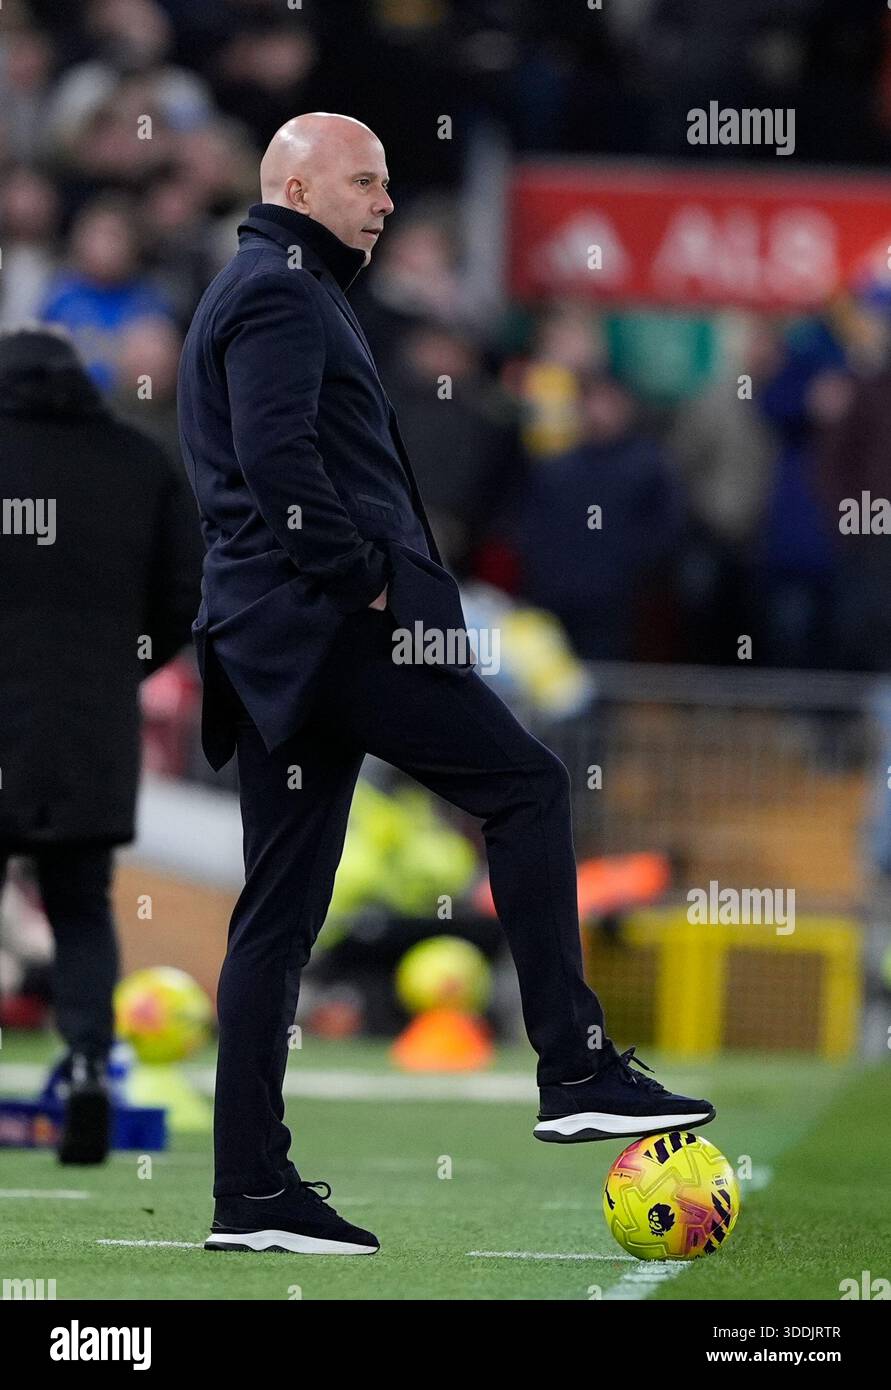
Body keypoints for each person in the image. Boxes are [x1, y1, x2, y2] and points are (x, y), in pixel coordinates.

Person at [177, 111, 715, 1257]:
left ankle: (253, 1191)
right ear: (297, 182)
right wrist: (365, 579)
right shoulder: (279, 288)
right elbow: (279, 461)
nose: (382, 200)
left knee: (275, 919)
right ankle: (572, 1065)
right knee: (522, 787)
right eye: (363, 181)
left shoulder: (272, 281)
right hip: (331, 632)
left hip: (271, 645)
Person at [0, 324, 201, 1162]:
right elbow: (185, 594)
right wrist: (123, 666)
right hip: (92, 721)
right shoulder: (141, 459)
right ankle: (87, 1065)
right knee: (81, 904)